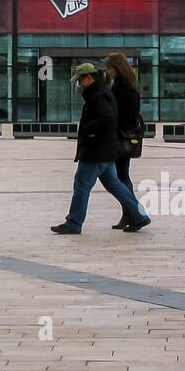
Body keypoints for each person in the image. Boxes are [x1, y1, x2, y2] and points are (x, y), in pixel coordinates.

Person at [52, 64, 151, 236]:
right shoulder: (103, 92)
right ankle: (140, 215)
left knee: (81, 184)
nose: (79, 84)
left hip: (96, 151)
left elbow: (106, 117)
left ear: (89, 78)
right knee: (115, 185)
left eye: (80, 80)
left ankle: (74, 223)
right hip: (107, 150)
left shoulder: (98, 96)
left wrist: (90, 132)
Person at [104, 53, 144, 228]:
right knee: (122, 175)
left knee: (120, 177)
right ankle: (129, 214)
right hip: (126, 136)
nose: (107, 71)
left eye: (109, 68)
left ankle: (135, 213)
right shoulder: (131, 86)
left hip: (120, 137)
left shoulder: (121, 88)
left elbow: (118, 114)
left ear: (117, 68)